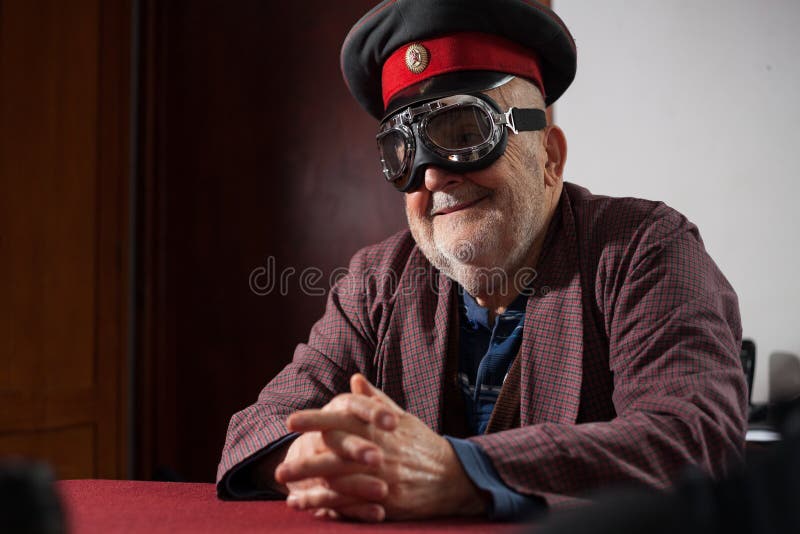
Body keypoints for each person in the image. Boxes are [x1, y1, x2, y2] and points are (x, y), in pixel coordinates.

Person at [216, 0, 747, 523]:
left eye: (466, 133)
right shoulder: (377, 281)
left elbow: (695, 438)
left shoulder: (644, 250)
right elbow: (257, 427)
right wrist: (309, 456)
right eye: (405, 152)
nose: (430, 177)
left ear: (549, 157)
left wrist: (461, 472)